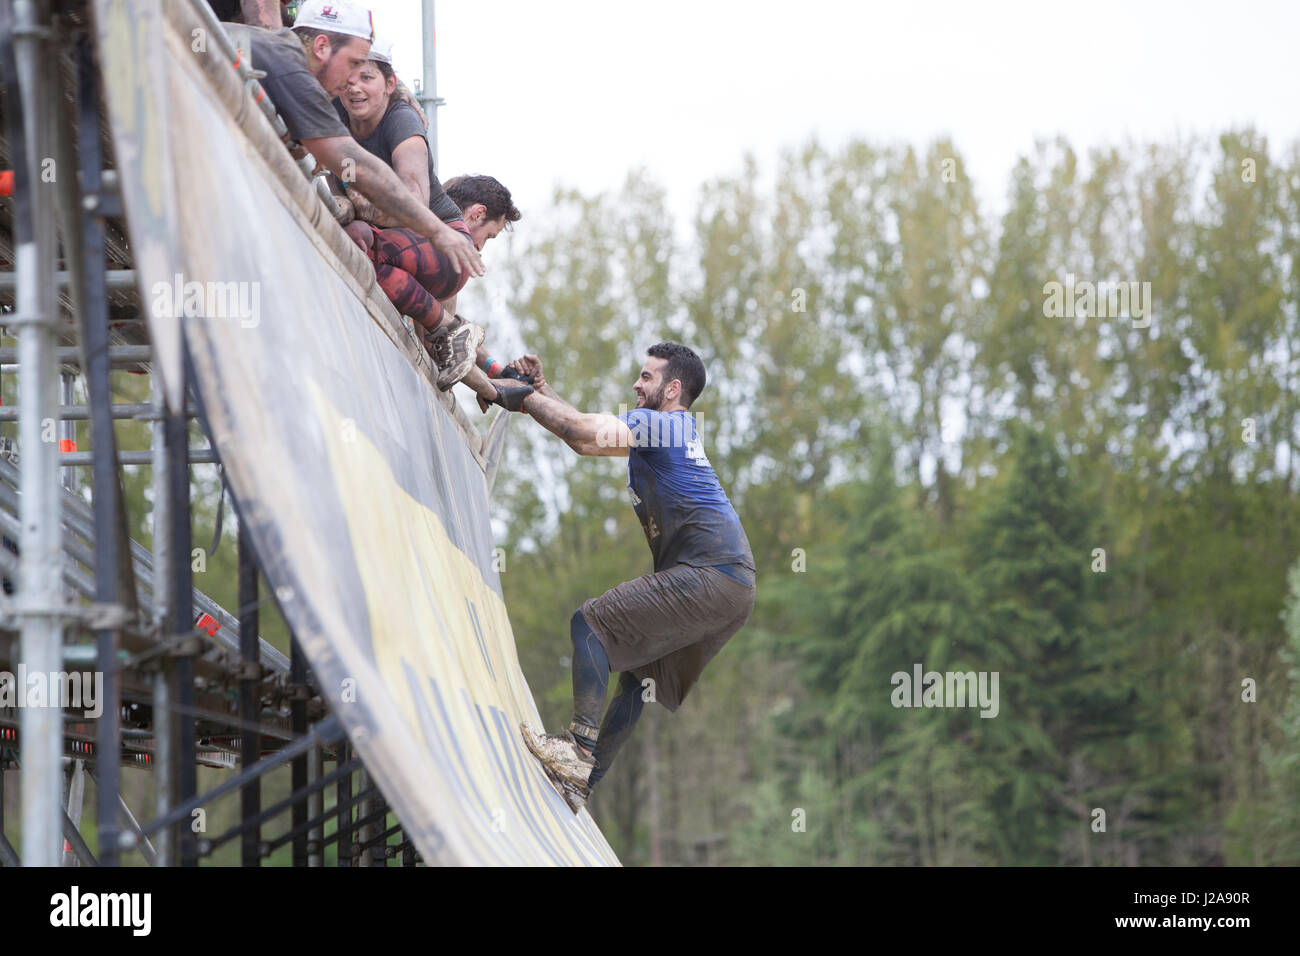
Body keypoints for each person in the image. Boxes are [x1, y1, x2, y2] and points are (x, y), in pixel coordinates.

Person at [512, 344, 757, 813]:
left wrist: (518, 397)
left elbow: (582, 436)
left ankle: (577, 752)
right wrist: (541, 390)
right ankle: (583, 781)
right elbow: (584, 423)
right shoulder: (671, 432)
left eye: (645, 377)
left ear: (673, 389)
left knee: (590, 625)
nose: (635, 385)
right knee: (639, 680)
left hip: (709, 574)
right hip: (735, 587)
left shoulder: (661, 425)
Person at [238, 0, 485, 289]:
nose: (351, 81)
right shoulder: (296, 75)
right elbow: (361, 168)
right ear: (320, 47)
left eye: (365, 74)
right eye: (354, 65)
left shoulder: (280, 47)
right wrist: (436, 231)